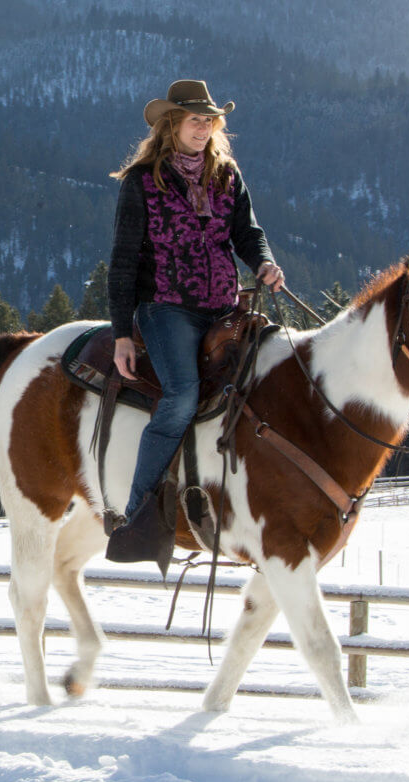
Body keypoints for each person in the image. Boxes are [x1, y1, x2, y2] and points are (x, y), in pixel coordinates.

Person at [105, 79, 285, 565]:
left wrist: (264, 262)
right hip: (166, 307)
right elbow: (122, 262)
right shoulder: (142, 182)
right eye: (194, 120)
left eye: (209, 120)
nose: (204, 128)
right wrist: (123, 332)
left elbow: (248, 233)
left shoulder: (227, 175)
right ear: (173, 125)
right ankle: (139, 512)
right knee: (182, 395)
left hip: (222, 306)